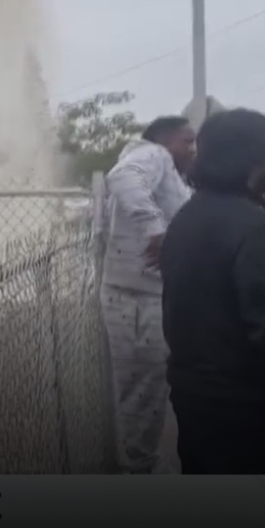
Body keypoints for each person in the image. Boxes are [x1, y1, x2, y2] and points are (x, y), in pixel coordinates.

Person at [160, 108, 265, 474]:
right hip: (249, 411)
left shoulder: (186, 218)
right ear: (254, 159)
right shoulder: (258, 228)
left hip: (194, 399)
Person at [99, 115, 196, 474]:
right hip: (136, 301)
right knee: (142, 395)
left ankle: (140, 466)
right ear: (166, 140)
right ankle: (140, 471)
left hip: (142, 297)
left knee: (145, 392)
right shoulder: (155, 155)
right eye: (188, 141)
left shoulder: (168, 171)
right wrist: (156, 228)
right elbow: (121, 177)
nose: (193, 149)